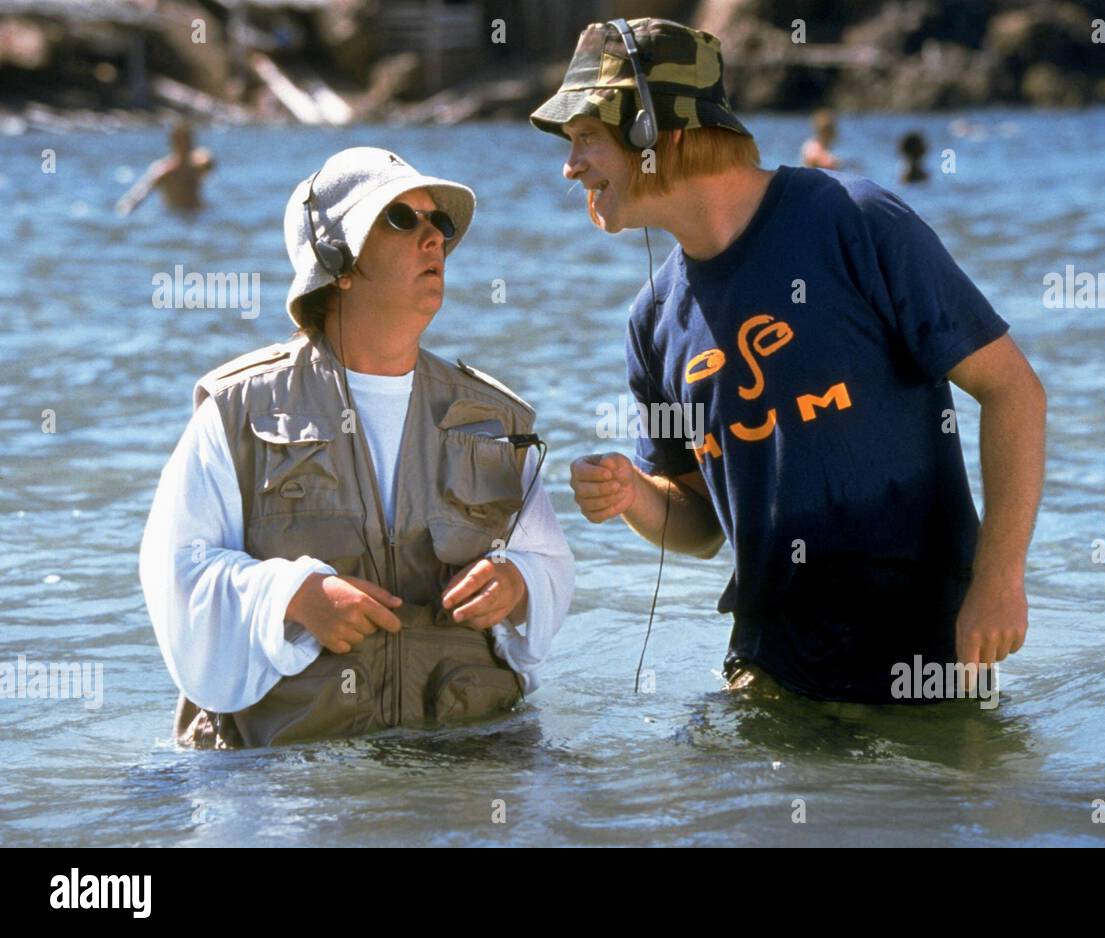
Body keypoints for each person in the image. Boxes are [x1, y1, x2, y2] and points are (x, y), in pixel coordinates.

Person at [530, 19, 1045, 707]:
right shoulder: (651, 321)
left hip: (924, 666)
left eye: (586, 137)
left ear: (660, 134)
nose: (571, 167)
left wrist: (1000, 577)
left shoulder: (853, 220)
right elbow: (700, 524)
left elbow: (1014, 391)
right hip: (766, 676)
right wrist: (634, 497)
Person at [140, 147, 575, 748]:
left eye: (440, 224)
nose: (434, 240)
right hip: (287, 779)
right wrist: (293, 596)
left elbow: (550, 561)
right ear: (336, 262)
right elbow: (177, 573)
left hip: (466, 759)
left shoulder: (496, 417)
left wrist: (518, 581)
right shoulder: (236, 409)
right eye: (402, 219)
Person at [116, 121, 215, 215]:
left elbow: (209, 161)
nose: (185, 146)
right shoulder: (163, 171)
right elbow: (138, 195)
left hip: (198, 215)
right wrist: (125, 209)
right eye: (182, 142)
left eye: (187, 142)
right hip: (175, 217)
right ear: (174, 143)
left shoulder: (198, 164)